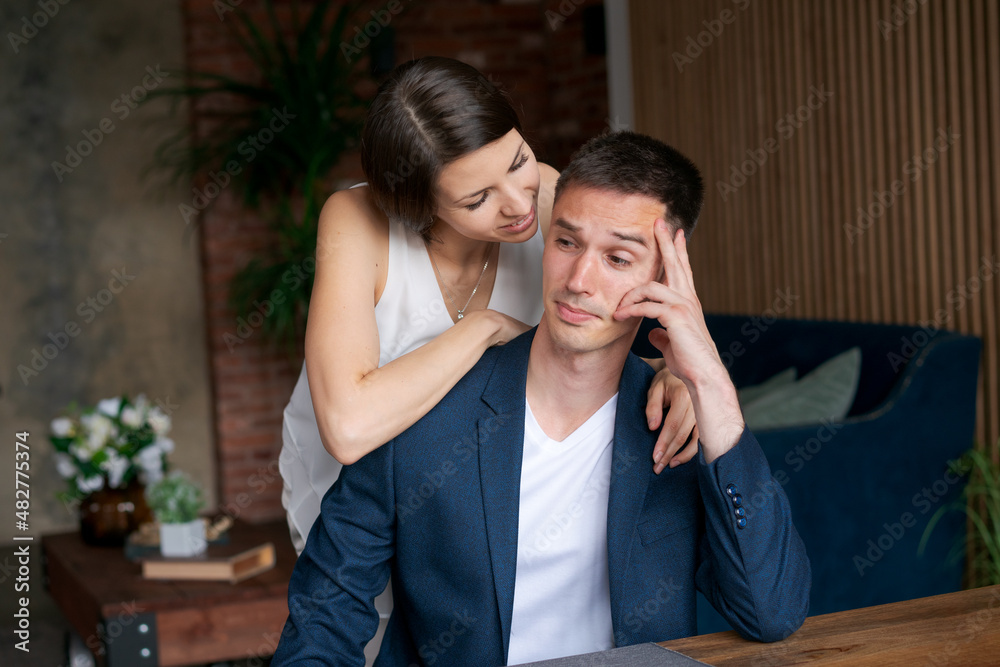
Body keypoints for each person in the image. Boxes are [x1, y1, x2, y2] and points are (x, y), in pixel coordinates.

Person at [271, 131, 811, 666]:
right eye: (567, 242)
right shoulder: (422, 414)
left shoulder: (681, 427)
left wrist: (712, 385)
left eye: (618, 259)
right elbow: (321, 625)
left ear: (667, 277)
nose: (578, 280)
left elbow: (771, 612)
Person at [280, 57, 698, 554]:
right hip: (349, 504)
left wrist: (671, 372)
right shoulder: (356, 221)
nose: (519, 205)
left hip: (466, 506)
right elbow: (348, 430)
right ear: (418, 206)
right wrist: (484, 328)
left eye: (517, 161)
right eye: (477, 199)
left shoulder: (545, 194)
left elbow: (602, 336)